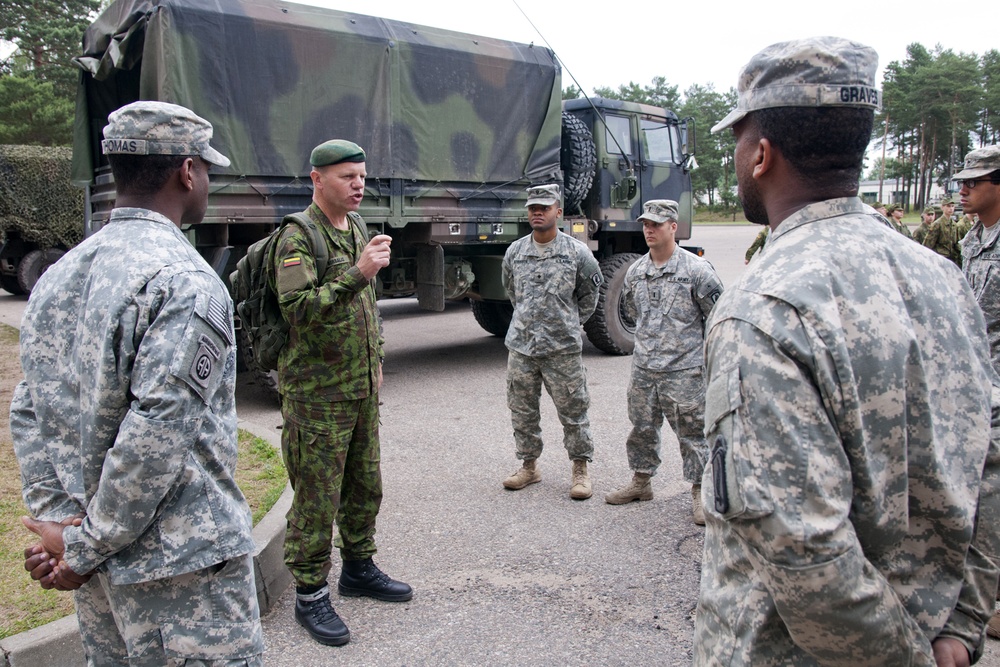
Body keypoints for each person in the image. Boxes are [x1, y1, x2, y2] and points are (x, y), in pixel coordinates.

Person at [694, 37, 1000, 666]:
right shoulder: (943, 278)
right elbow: (988, 466)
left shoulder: (763, 308)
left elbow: (801, 548)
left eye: (737, 140)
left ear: (761, 155)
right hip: (934, 635)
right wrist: (960, 626)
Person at [11, 101, 264, 664]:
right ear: (187, 171)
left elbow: (30, 407)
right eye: (208, 170)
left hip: (103, 573)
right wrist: (78, 549)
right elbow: (156, 436)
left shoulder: (57, 275)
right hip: (183, 574)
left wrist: (62, 526)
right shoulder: (187, 282)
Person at [273, 139, 411, 647]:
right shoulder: (297, 237)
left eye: (361, 175)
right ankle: (310, 593)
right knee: (316, 495)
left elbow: (365, 311)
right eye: (346, 176)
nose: (358, 185)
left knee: (364, 483)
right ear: (317, 179)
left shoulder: (355, 227)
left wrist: (375, 362)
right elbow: (300, 311)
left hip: (359, 388)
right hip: (316, 395)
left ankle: (358, 566)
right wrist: (359, 272)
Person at [604, 200, 722, 525]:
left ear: (674, 227)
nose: (649, 229)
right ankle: (641, 483)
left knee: (694, 434)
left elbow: (718, 319)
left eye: (657, 224)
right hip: (644, 369)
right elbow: (632, 311)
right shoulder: (636, 272)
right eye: (646, 223)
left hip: (684, 371)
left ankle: (701, 493)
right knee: (641, 428)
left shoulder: (697, 271)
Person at [501, 184, 603, 500]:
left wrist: (569, 324)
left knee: (574, 411)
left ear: (558, 211)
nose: (537, 212)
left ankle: (580, 470)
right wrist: (531, 321)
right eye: (533, 207)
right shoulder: (515, 252)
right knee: (522, 410)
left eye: (544, 207)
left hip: (563, 349)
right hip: (522, 346)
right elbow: (512, 291)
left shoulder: (577, 253)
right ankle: (529, 466)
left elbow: (590, 295)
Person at [924, 196, 963, 265]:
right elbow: (928, 245)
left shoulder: (954, 225)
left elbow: (957, 243)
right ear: (942, 207)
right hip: (940, 259)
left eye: (952, 206)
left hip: (952, 259)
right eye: (948, 206)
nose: (950, 208)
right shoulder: (937, 224)